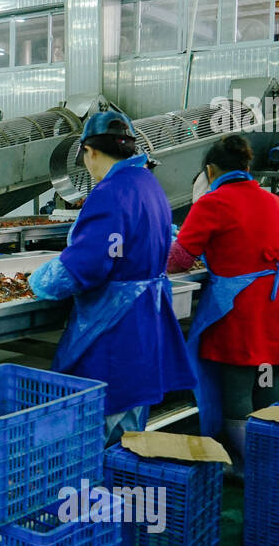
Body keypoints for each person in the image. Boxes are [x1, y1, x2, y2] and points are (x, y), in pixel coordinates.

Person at [27, 111, 195, 445]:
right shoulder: (148, 183)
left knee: (98, 428)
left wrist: (40, 281)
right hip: (147, 320)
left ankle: (95, 494)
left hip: (114, 329)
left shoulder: (111, 192)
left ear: (88, 151)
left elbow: (86, 265)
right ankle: (123, 492)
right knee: (131, 433)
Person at [167, 135, 279, 476]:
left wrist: (158, 245)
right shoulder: (273, 201)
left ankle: (249, 468)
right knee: (266, 378)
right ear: (248, 168)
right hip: (278, 301)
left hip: (241, 308)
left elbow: (179, 260)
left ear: (210, 170)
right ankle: (273, 456)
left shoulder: (213, 203)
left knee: (237, 388)